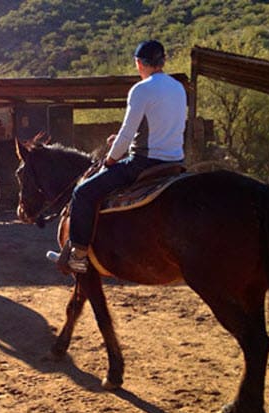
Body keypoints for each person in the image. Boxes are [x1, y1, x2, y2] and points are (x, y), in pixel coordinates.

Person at [53, 40, 187, 274]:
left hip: (144, 163)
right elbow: (158, 127)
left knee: (82, 193)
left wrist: (111, 159)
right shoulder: (177, 88)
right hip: (175, 162)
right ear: (163, 61)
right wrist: (125, 140)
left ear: (138, 63)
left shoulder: (141, 89)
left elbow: (127, 133)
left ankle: (79, 255)